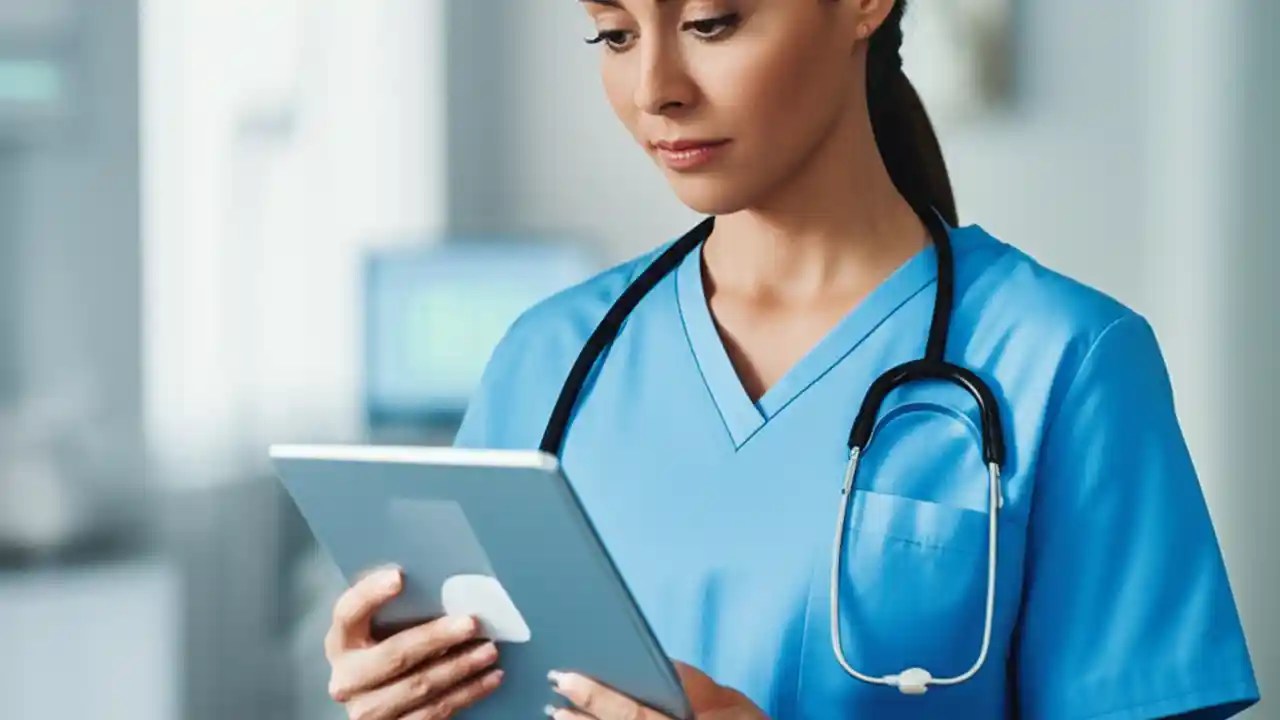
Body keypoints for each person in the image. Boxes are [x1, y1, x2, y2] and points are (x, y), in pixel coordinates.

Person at [320, 1, 1261, 718]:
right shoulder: (547, 359)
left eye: (712, 23)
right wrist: (412, 690)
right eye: (612, 34)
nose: (656, 88)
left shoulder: (1063, 361)